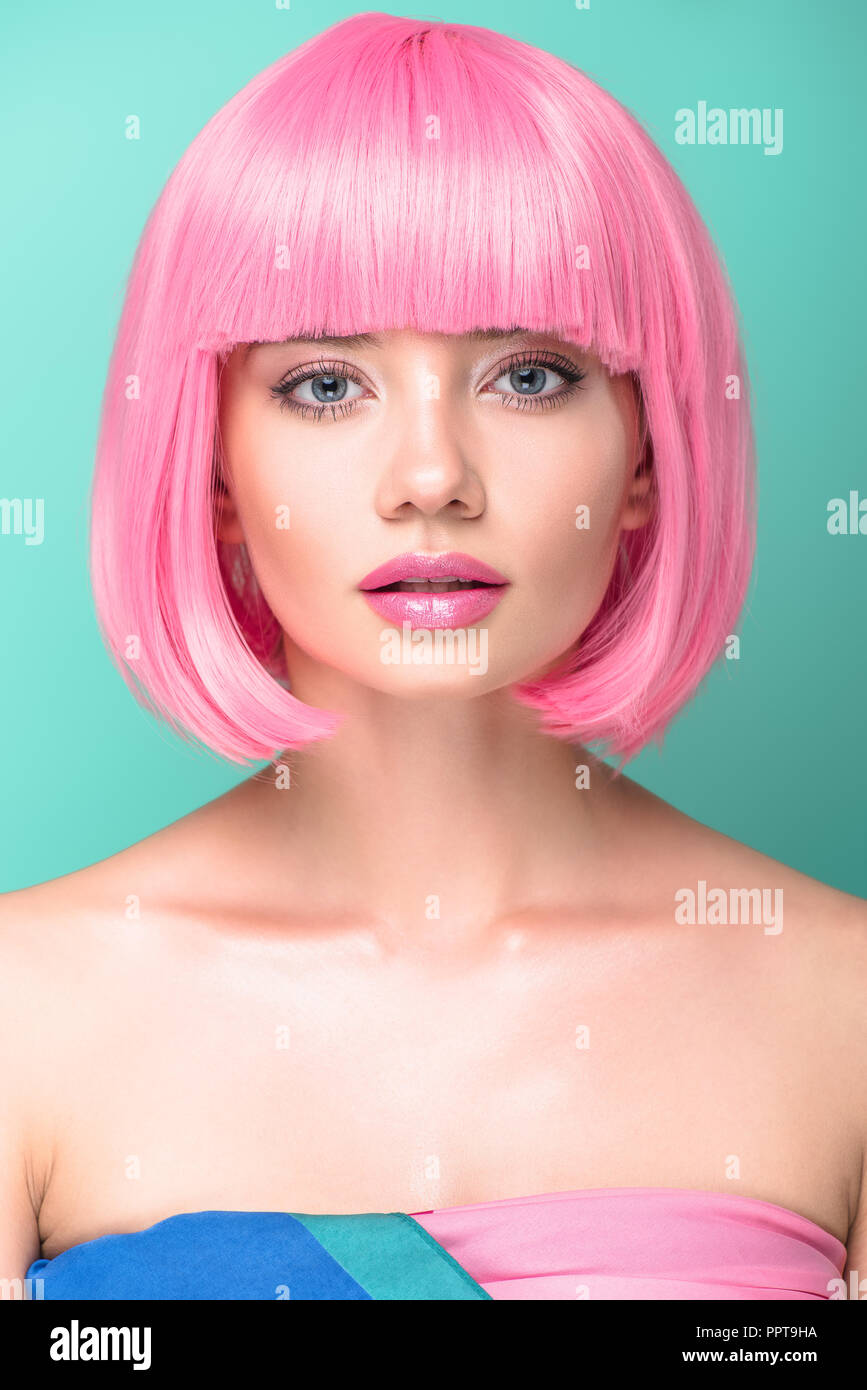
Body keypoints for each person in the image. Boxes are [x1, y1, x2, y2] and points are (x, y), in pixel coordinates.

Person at [2, 11, 864, 1301]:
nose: (430, 480)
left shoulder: (843, 1013)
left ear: (646, 456)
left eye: (527, 375)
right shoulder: (26, 1011)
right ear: (216, 471)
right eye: (323, 385)